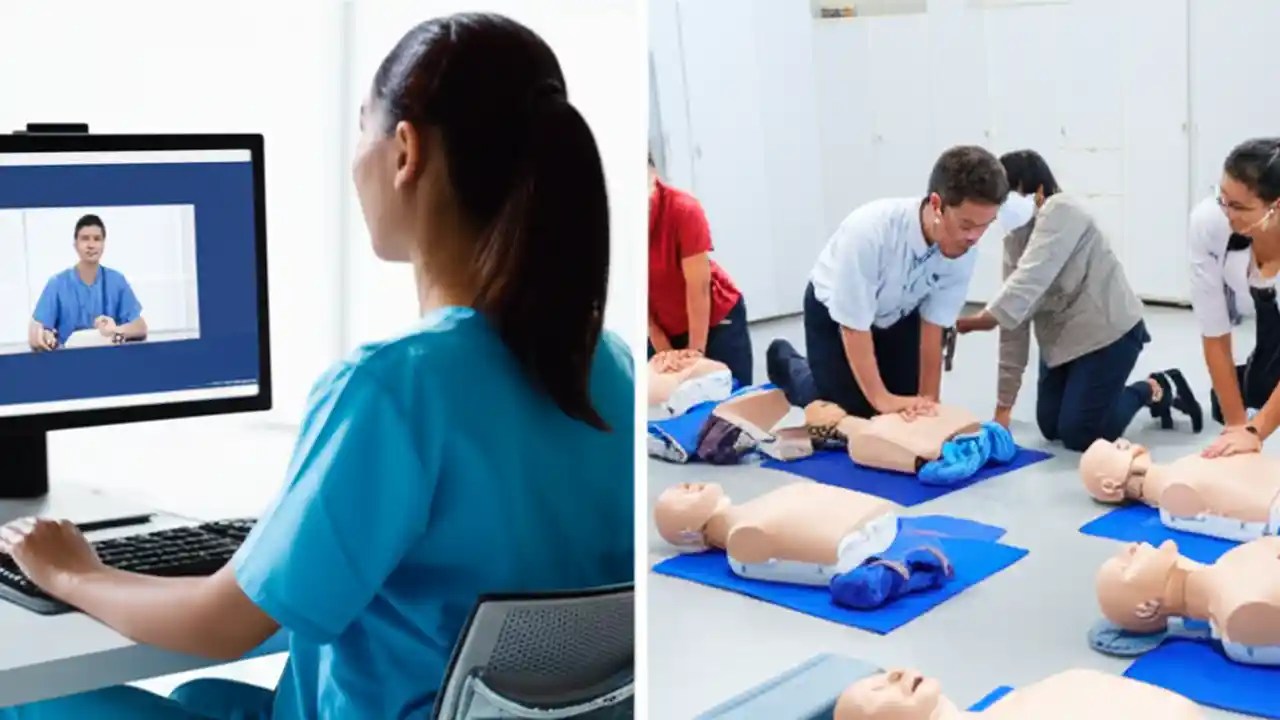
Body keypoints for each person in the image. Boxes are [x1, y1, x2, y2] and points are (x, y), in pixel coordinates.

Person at [0, 13, 633, 719]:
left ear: (403, 151)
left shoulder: (395, 389)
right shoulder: (609, 367)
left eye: (362, 128)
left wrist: (71, 572)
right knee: (199, 696)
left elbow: (225, 623)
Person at [954, 150, 1200, 451]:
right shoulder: (1014, 238)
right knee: (1051, 426)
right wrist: (1002, 411)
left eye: (1008, 196)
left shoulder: (1062, 210)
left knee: (1081, 433)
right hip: (1062, 345)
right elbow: (1013, 321)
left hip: (1107, 334)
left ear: (1039, 190)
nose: (1002, 208)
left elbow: (1026, 282)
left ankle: (1153, 387)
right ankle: (1108, 394)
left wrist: (980, 320)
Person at [767, 146, 1007, 419]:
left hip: (898, 313)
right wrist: (881, 400)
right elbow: (853, 324)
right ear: (937, 205)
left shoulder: (965, 248)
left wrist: (928, 402)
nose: (975, 237)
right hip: (837, 314)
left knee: (907, 403)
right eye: (966, 225)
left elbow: (934, 324)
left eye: (985, 226)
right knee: (852, 411)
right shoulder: (870, 232)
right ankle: (788, 363)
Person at [1189, 137, 1280, 458]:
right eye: (1222, 199)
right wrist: (1237, 430)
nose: (1227, 212)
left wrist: (1257, 430)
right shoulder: (1210, 222)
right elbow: (1214, 332)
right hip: (1271, 314)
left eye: (1239, 206)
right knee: (1241, 395)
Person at [648, 153, 753, 387]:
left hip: (714, 317)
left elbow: (699, 289)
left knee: (727, 400)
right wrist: (663, 349)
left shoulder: (683, 210)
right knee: (669, 399)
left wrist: (695, 353)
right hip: (663, 324)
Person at [27, 214, 147, 351]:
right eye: (85, 239)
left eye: (97, 239)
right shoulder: (57, 284)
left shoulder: (117, 281)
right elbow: (36, 329)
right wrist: (44, 336)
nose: (91, 245)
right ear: (75, 244)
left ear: (103, 244)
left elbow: (140, 327)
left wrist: (116, 330)